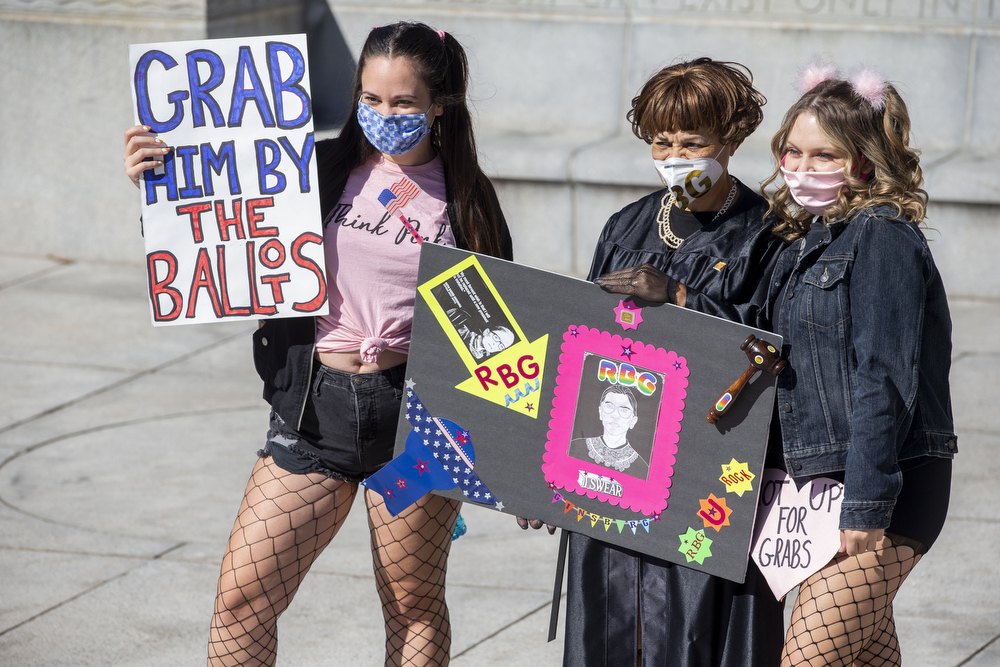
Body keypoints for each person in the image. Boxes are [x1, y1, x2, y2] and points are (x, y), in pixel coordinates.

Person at [123, 22, 512, 667]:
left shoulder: (469, 202)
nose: (383, 115)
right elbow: (221, 217)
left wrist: (515, 459)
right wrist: (164, 179)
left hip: (416, 420)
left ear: (440, 105)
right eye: (370, 99)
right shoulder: (311, 167)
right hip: (313, 409)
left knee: (412, 601)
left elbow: (492, 336)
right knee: (242, 599)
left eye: (403, 102)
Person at [521, 57, 786, 667]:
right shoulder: (627, 224)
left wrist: (681, 297)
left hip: (703, 470)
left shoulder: (764, 234)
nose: (675, 156)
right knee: (610, 630)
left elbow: (774, 351)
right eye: (662, 142)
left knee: (691, 636)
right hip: (615, 472)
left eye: (693, 143)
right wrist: (539, 475)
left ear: (732, 140)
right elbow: (579, 352)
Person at [761, 62, 956, 667]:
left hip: (885, 484)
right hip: (824, 484)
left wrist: (866, 504)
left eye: (824, 155)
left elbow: (884, 378)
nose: (801, 169)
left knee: (807, 657)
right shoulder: (811, 237)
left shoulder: (882, 234)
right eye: (792, 152)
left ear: (864, 160)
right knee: (865, 655)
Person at [568, 385, 649, 478]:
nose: (615, 415)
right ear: (600, 412)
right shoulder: (575, 447)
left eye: (624, 410)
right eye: (609, 406)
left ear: (633, 421)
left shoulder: (642, 469)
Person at [446, 307, 515, 360]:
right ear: (487, 331)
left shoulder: (482, 360)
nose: (495, 344)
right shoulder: (460, 319)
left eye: (501, 346)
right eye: (496, 338)